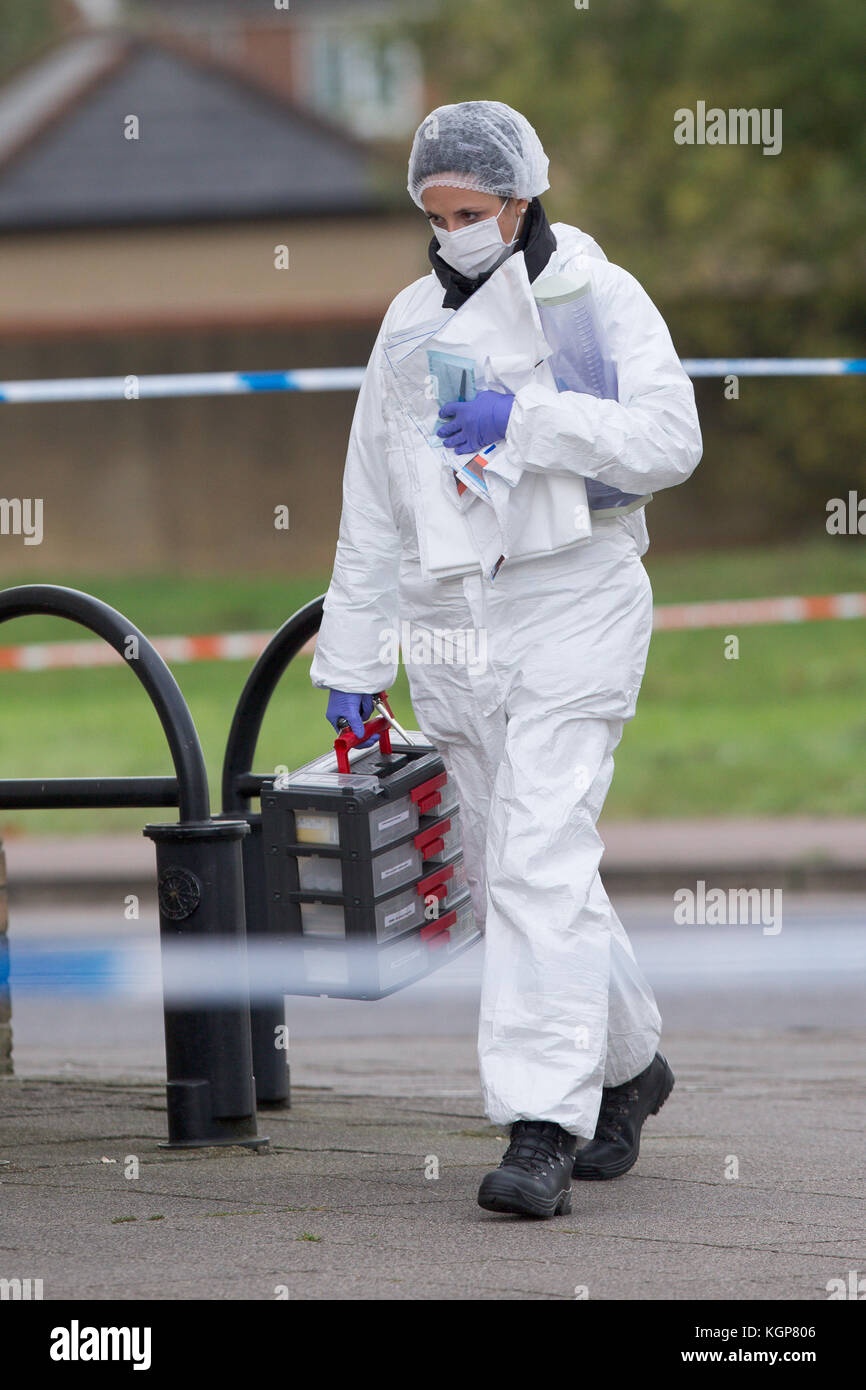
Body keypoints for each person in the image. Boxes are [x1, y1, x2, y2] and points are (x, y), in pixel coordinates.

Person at [310, 100, 702, 1218]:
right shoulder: (401, 326)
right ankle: (629, 1065)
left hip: (572, 601)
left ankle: (539, 1124)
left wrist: (525, 419)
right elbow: (370, 507)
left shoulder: (595, 297)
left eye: (470, 212)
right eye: (433, 215)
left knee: (537, 856)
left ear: (522, 198)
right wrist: (352, 657)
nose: (451, 232)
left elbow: (670, 440)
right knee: (512, 868)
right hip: (447, 626)